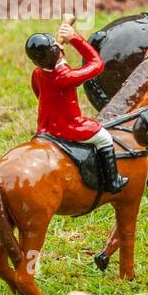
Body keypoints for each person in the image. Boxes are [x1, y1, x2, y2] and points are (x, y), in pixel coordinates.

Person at [26, 17, 128, 193]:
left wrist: (57, 55)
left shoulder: (37, 73)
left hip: (45, 127)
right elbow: (97, 64)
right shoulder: (65, 77)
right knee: (104, 137)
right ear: (56, 53)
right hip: (68, 128)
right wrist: (75, 38)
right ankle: (113, 181)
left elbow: (38, 93)